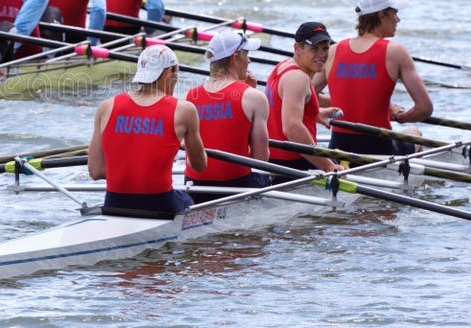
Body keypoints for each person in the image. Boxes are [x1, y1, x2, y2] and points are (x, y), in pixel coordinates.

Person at [88, 44, 207, 213]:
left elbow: (95, 171)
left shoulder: (106, 107)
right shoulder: (185, 110)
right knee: (189, 198)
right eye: (177, 74)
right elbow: (199, 166)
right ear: (168, 73)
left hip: (114, 204)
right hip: (160, 205)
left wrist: (125, 163)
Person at [314, 0, 433, 155]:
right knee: (415, 133)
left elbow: (308, 95)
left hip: (338, 147)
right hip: (379, 149)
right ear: (381, 15)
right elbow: (425, 108)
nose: (398, 19)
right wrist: (399, 116)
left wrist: (348, 101)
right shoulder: (396, 51)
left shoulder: (333, 50)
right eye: (394, 13)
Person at [184, 31, 271, 203]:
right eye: (246, 54)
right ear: (235, 58)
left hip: (195, 187)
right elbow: (261, 159)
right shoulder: (254, 97)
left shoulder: (190, 96)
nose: (249, 60)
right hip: (235, 187)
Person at [265, 22, 346, 176]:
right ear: (297, 48)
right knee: (343, 167)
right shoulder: (298, 78)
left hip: (273, 159)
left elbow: (285, 105)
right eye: (314, 49)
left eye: (325, 48)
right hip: (293, 164)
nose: (321, 55)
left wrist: (314, 113)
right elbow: (291, 128)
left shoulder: (283, 66)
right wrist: (328, 166)